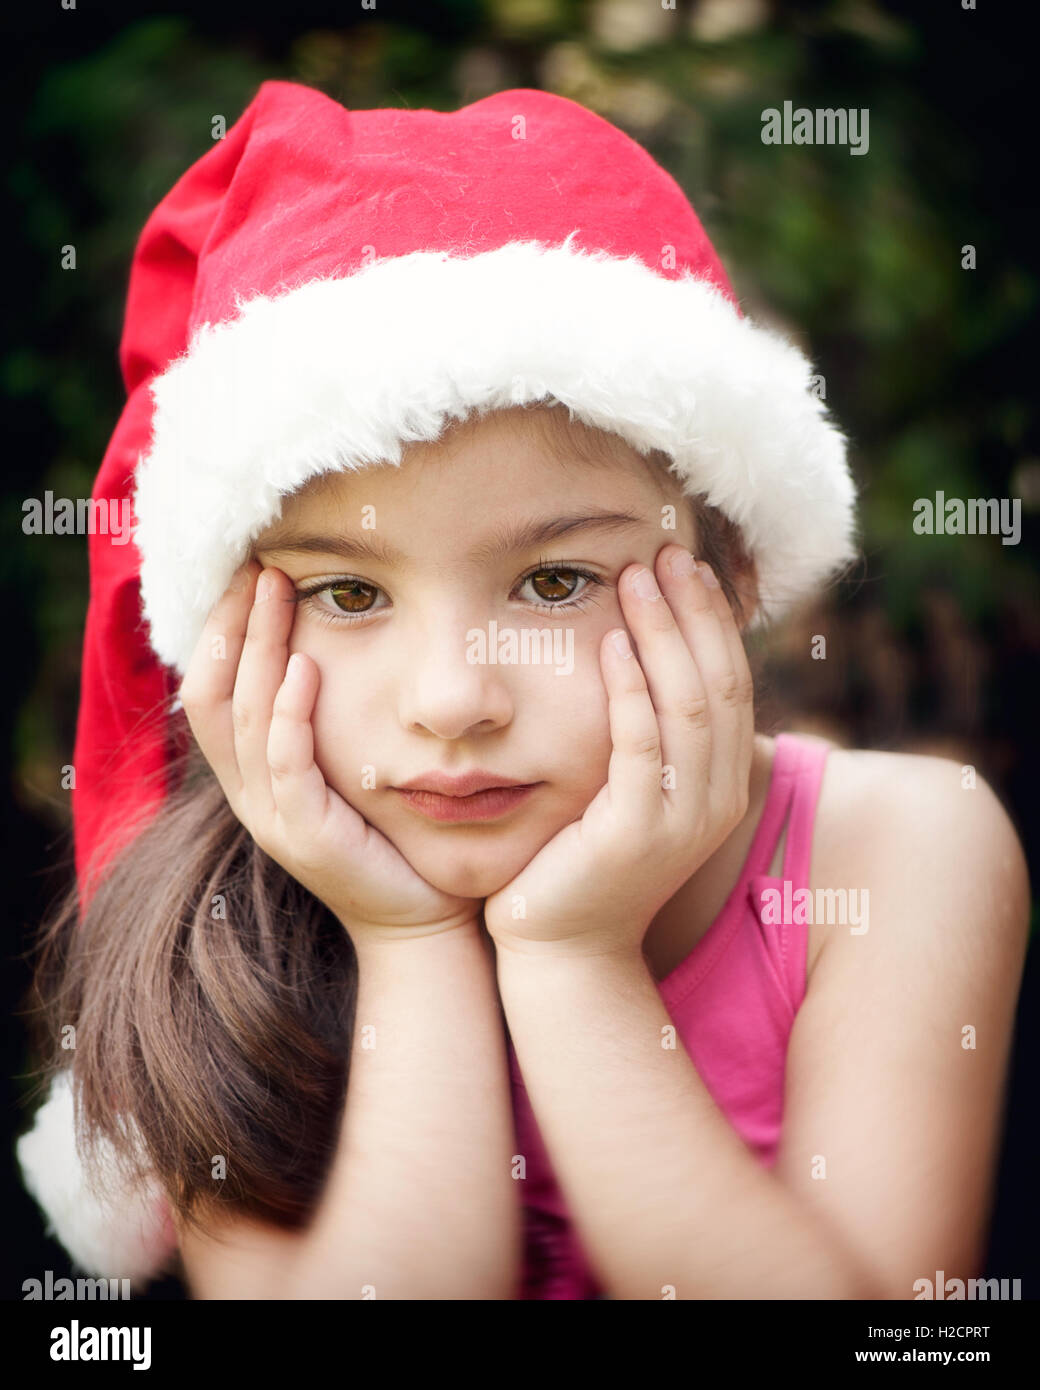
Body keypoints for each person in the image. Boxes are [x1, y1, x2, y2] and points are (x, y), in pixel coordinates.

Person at [16, 81, 1029, 1301]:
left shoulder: (889, 850)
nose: (451, 701)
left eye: (553, 580)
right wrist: (408, 942)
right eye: (347, 594)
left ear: (730, 567)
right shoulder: (220, 929)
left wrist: (572, 961)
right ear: (226, 633)